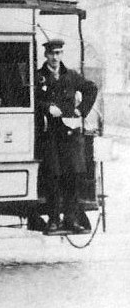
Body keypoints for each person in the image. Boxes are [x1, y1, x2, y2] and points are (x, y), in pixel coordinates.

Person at [35, 39, 97, 234]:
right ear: (46, 55)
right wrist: (47, 107)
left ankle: (71, 220)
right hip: (50, 135)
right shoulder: (38, 77)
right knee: (53, 177)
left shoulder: (71, 76)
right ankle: (53, 220)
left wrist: (81, 111)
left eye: (59, 53)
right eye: (52, 53)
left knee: (72, 178)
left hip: (70, 136)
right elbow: (30, 99)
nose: (55, 57)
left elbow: (91, 89)